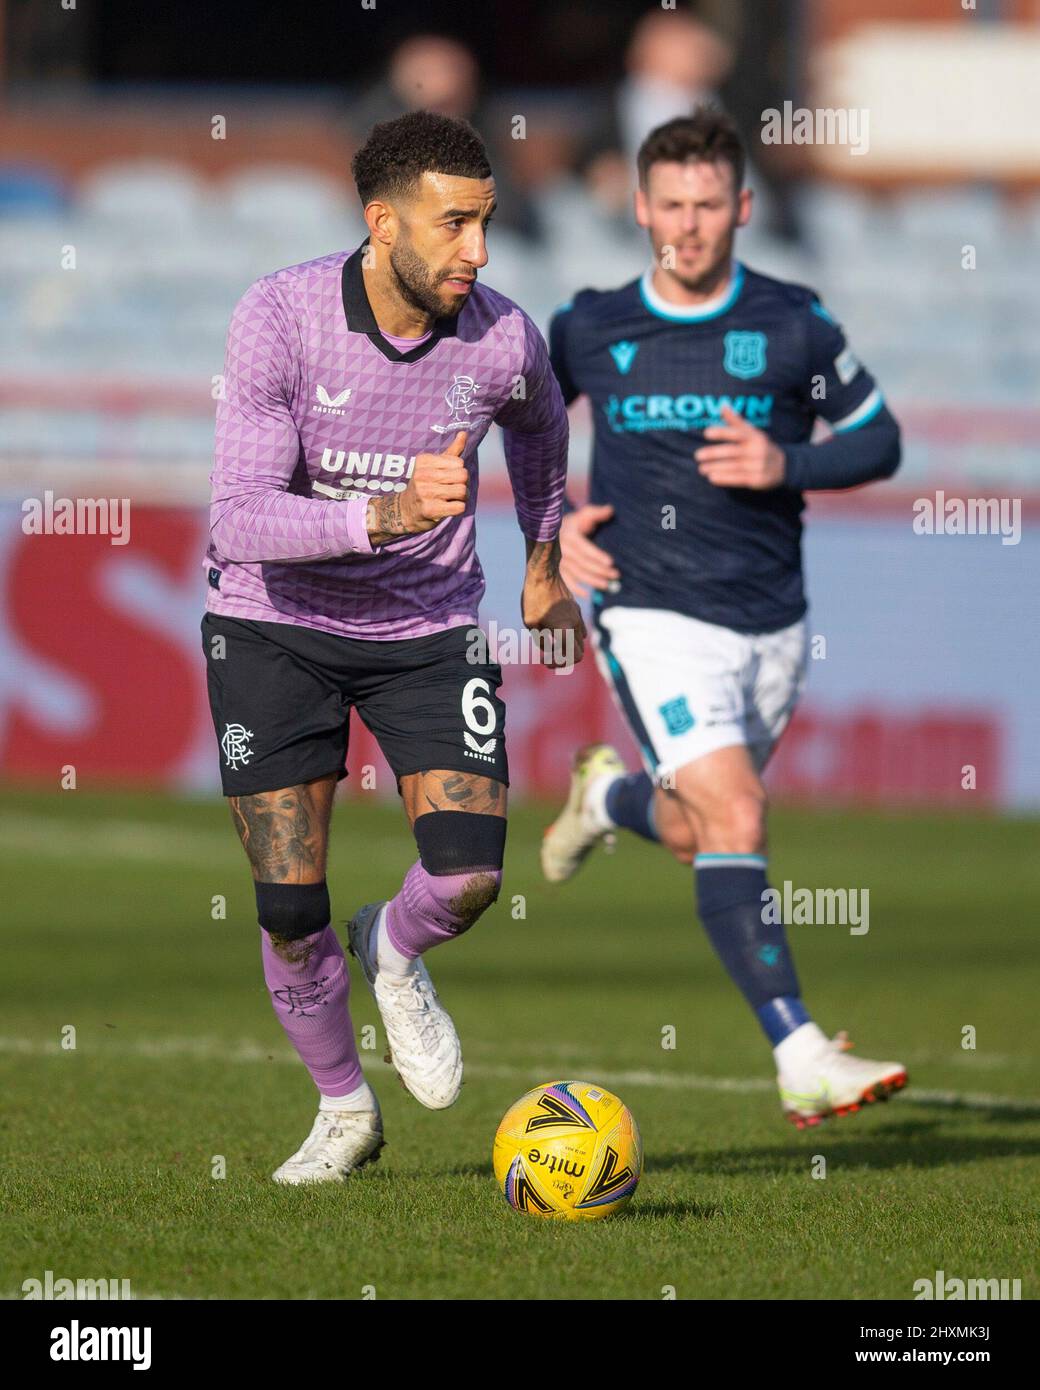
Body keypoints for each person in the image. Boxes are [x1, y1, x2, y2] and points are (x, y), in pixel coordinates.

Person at [203, 110, 583, 1183]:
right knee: (286, 904)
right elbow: (237, 518)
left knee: (467, 880)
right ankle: (341, 1108)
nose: (479, 248)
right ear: (382, 223)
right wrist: (381, 514)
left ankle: (395, 947)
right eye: (454, 223)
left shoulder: (501, 336)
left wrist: (543, 565)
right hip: (273, 622)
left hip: (424, 624)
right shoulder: (280, 315)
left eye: (487, 221)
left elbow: (543, 427)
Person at [541, 109, 907, 1129]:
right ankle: (798, 1054)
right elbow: (513, 422)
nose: (688, 226)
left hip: (771, 625)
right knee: (737, 815)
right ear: (638, 208)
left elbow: (879, 442)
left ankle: (604, 802)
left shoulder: (793, 325)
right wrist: (550, 530)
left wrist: (785, 462)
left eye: (708, 205)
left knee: (701, 830)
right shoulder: (589, 327)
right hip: (649, 612)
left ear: (741, 207)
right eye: (670, 206)